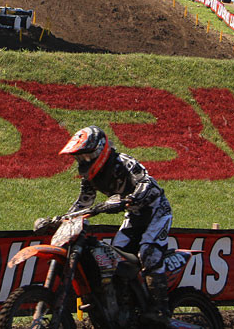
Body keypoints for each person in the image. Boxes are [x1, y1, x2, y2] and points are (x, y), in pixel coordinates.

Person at [57, 126, 174, 325]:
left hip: (156, 211)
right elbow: (83, 203)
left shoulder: (124, 162)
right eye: (80, 159)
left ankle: (160, 311)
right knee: (117, 259)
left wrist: (126, 199)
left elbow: (149, 185)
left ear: (99, 152)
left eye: (86, 157)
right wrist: (61, 219)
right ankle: (128, 307)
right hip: (135, 216)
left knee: (148, 252)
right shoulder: (91, 178)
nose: (83, 163)